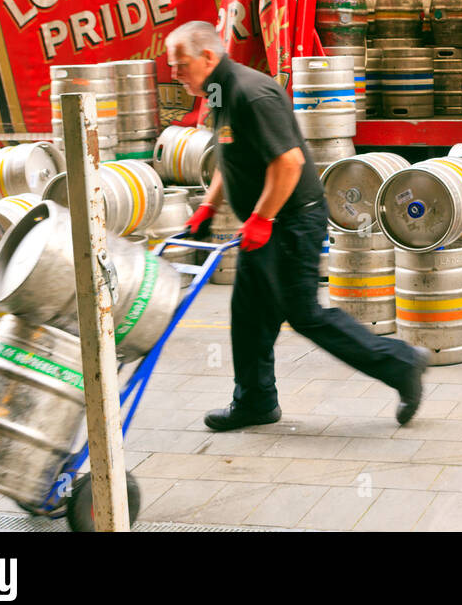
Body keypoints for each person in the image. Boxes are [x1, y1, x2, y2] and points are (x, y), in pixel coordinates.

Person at [166, 21, 426, 432]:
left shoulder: (251, 94)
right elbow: (229, 158)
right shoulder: (217, 93)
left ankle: (402, 363)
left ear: (208, 58)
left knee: (303, 314)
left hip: (290, 222)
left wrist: (262, 218)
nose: (175, 73)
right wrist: (207, 209)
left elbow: (289, 163)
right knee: (249, 314)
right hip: (265, 223)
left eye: (180, 65)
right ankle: (255, 403)